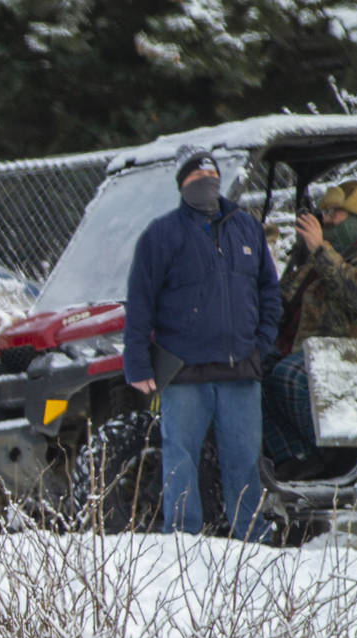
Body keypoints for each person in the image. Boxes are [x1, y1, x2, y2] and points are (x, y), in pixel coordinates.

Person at [122, 147, 281, 539]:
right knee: (180, 459)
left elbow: (268, 291)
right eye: (196, 179)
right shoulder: (161, 235)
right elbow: (140, 301)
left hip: (240, 370)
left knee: (244, 460)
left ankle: (252, 536)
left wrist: (261, 342)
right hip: (184, 371)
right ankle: (181, 539)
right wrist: (138, 363)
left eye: (211, 176)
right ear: (182, 185)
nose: (205, 184)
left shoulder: (246, 228)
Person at [265, 181, 357, 476]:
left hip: (352, 358)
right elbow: (283, 299)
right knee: (250, 371)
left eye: (335, 214)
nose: (326, 220)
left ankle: (339, 457)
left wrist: (320, 250)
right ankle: (291, 459)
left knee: (288, 376)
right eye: (324, 213)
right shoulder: (316, 259)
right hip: (303, 350)